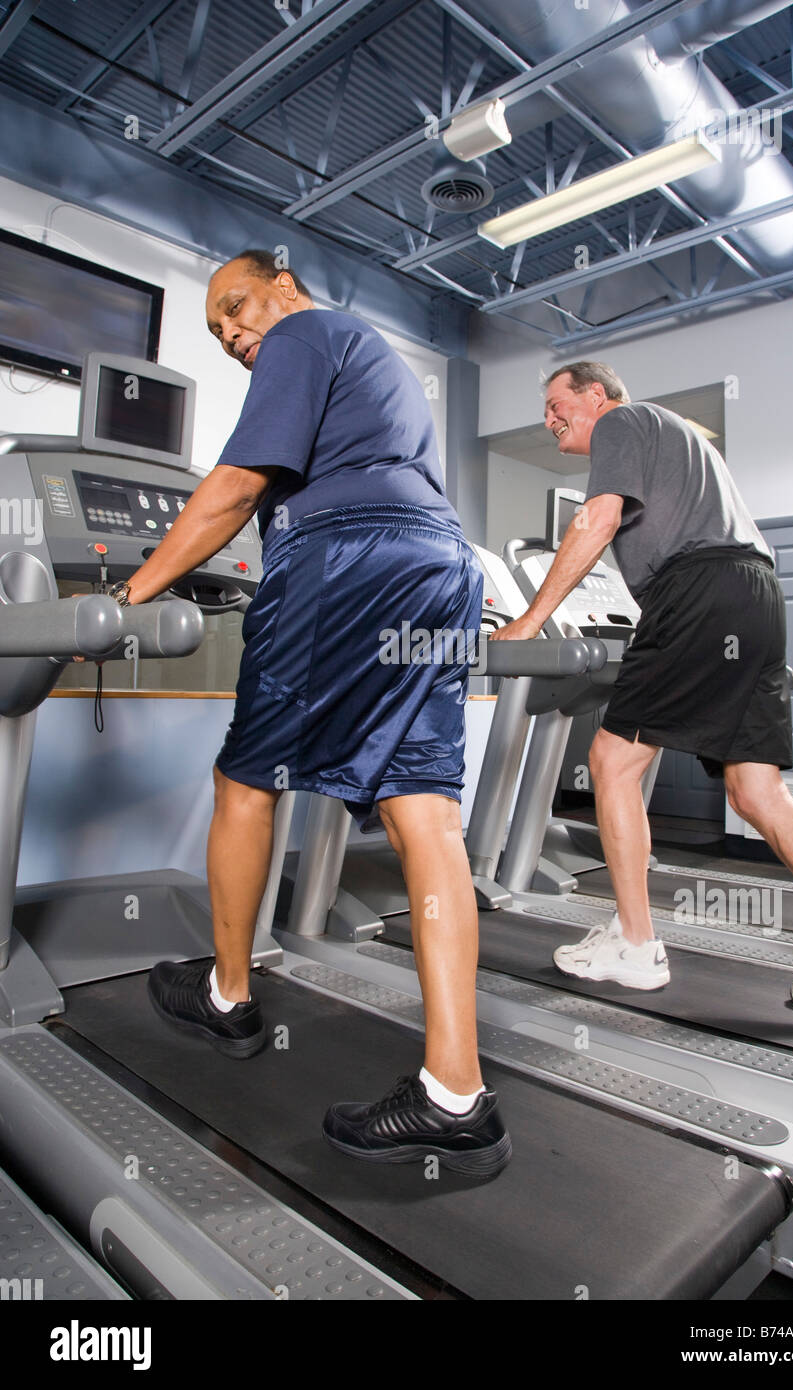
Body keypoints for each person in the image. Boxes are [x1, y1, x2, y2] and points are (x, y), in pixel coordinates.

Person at [113, 249, 511, 1176]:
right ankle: (457, 1094)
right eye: (218, 332)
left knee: (246, 779)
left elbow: (237, 488)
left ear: (283, 286)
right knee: (425, 808)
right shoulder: (377, 363)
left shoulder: (304, 332)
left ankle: (227, 995)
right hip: (445, 569)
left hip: (345, 560)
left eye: (238, 308)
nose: (235, 334)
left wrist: (131, 596)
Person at [491, 361, 793, 1015]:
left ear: (596, 395)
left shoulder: (624, 422)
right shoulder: (673, 440)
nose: (550, 418)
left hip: (696, 590)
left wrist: (527, 621)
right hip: (753, 593)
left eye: (558, 404)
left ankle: (636, 947)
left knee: (610, 760)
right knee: (757, 791)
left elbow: (597, 520)